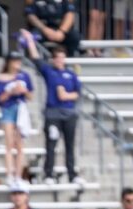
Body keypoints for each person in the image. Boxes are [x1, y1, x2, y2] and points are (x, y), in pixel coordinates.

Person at [23, 34, 79, 185]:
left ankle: (72, 174)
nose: (60, 60)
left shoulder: (71, 74)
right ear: (54, 59)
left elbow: (77, 93)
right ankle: (49, 173)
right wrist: (30, 41)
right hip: (53, 113)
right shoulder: (49, 72)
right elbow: (36, 59)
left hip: (69, 113)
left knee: (69, 145)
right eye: (58, 58)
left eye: (62, 57)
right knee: (51, 144)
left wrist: (66, 95)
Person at [0, 51, 33, 187]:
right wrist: (10, 91)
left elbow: (30, 96)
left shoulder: (24, 76)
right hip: (8, 109)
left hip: (20, 108)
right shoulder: (2, 78)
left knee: (20, 145)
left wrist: (23, 91)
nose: (17, 64)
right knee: (9, 143)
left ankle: (18, 175)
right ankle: (9, 174)